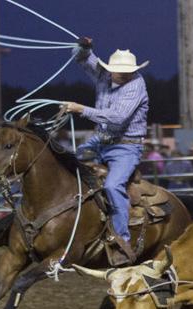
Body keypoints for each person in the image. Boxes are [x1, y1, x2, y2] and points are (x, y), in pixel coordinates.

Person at [63, 36, 150, 264]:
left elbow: (117, 118)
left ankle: (122, 241)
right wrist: (84, 47)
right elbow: (83, 59)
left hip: (126, 147)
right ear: (110, 69)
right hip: (102, 141)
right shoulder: (104, 74)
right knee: (63, 166)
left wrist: (81, 110)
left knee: (112, 185)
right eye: (119, 71)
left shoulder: (136, 85)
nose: (123, 74)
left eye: (127, 71)